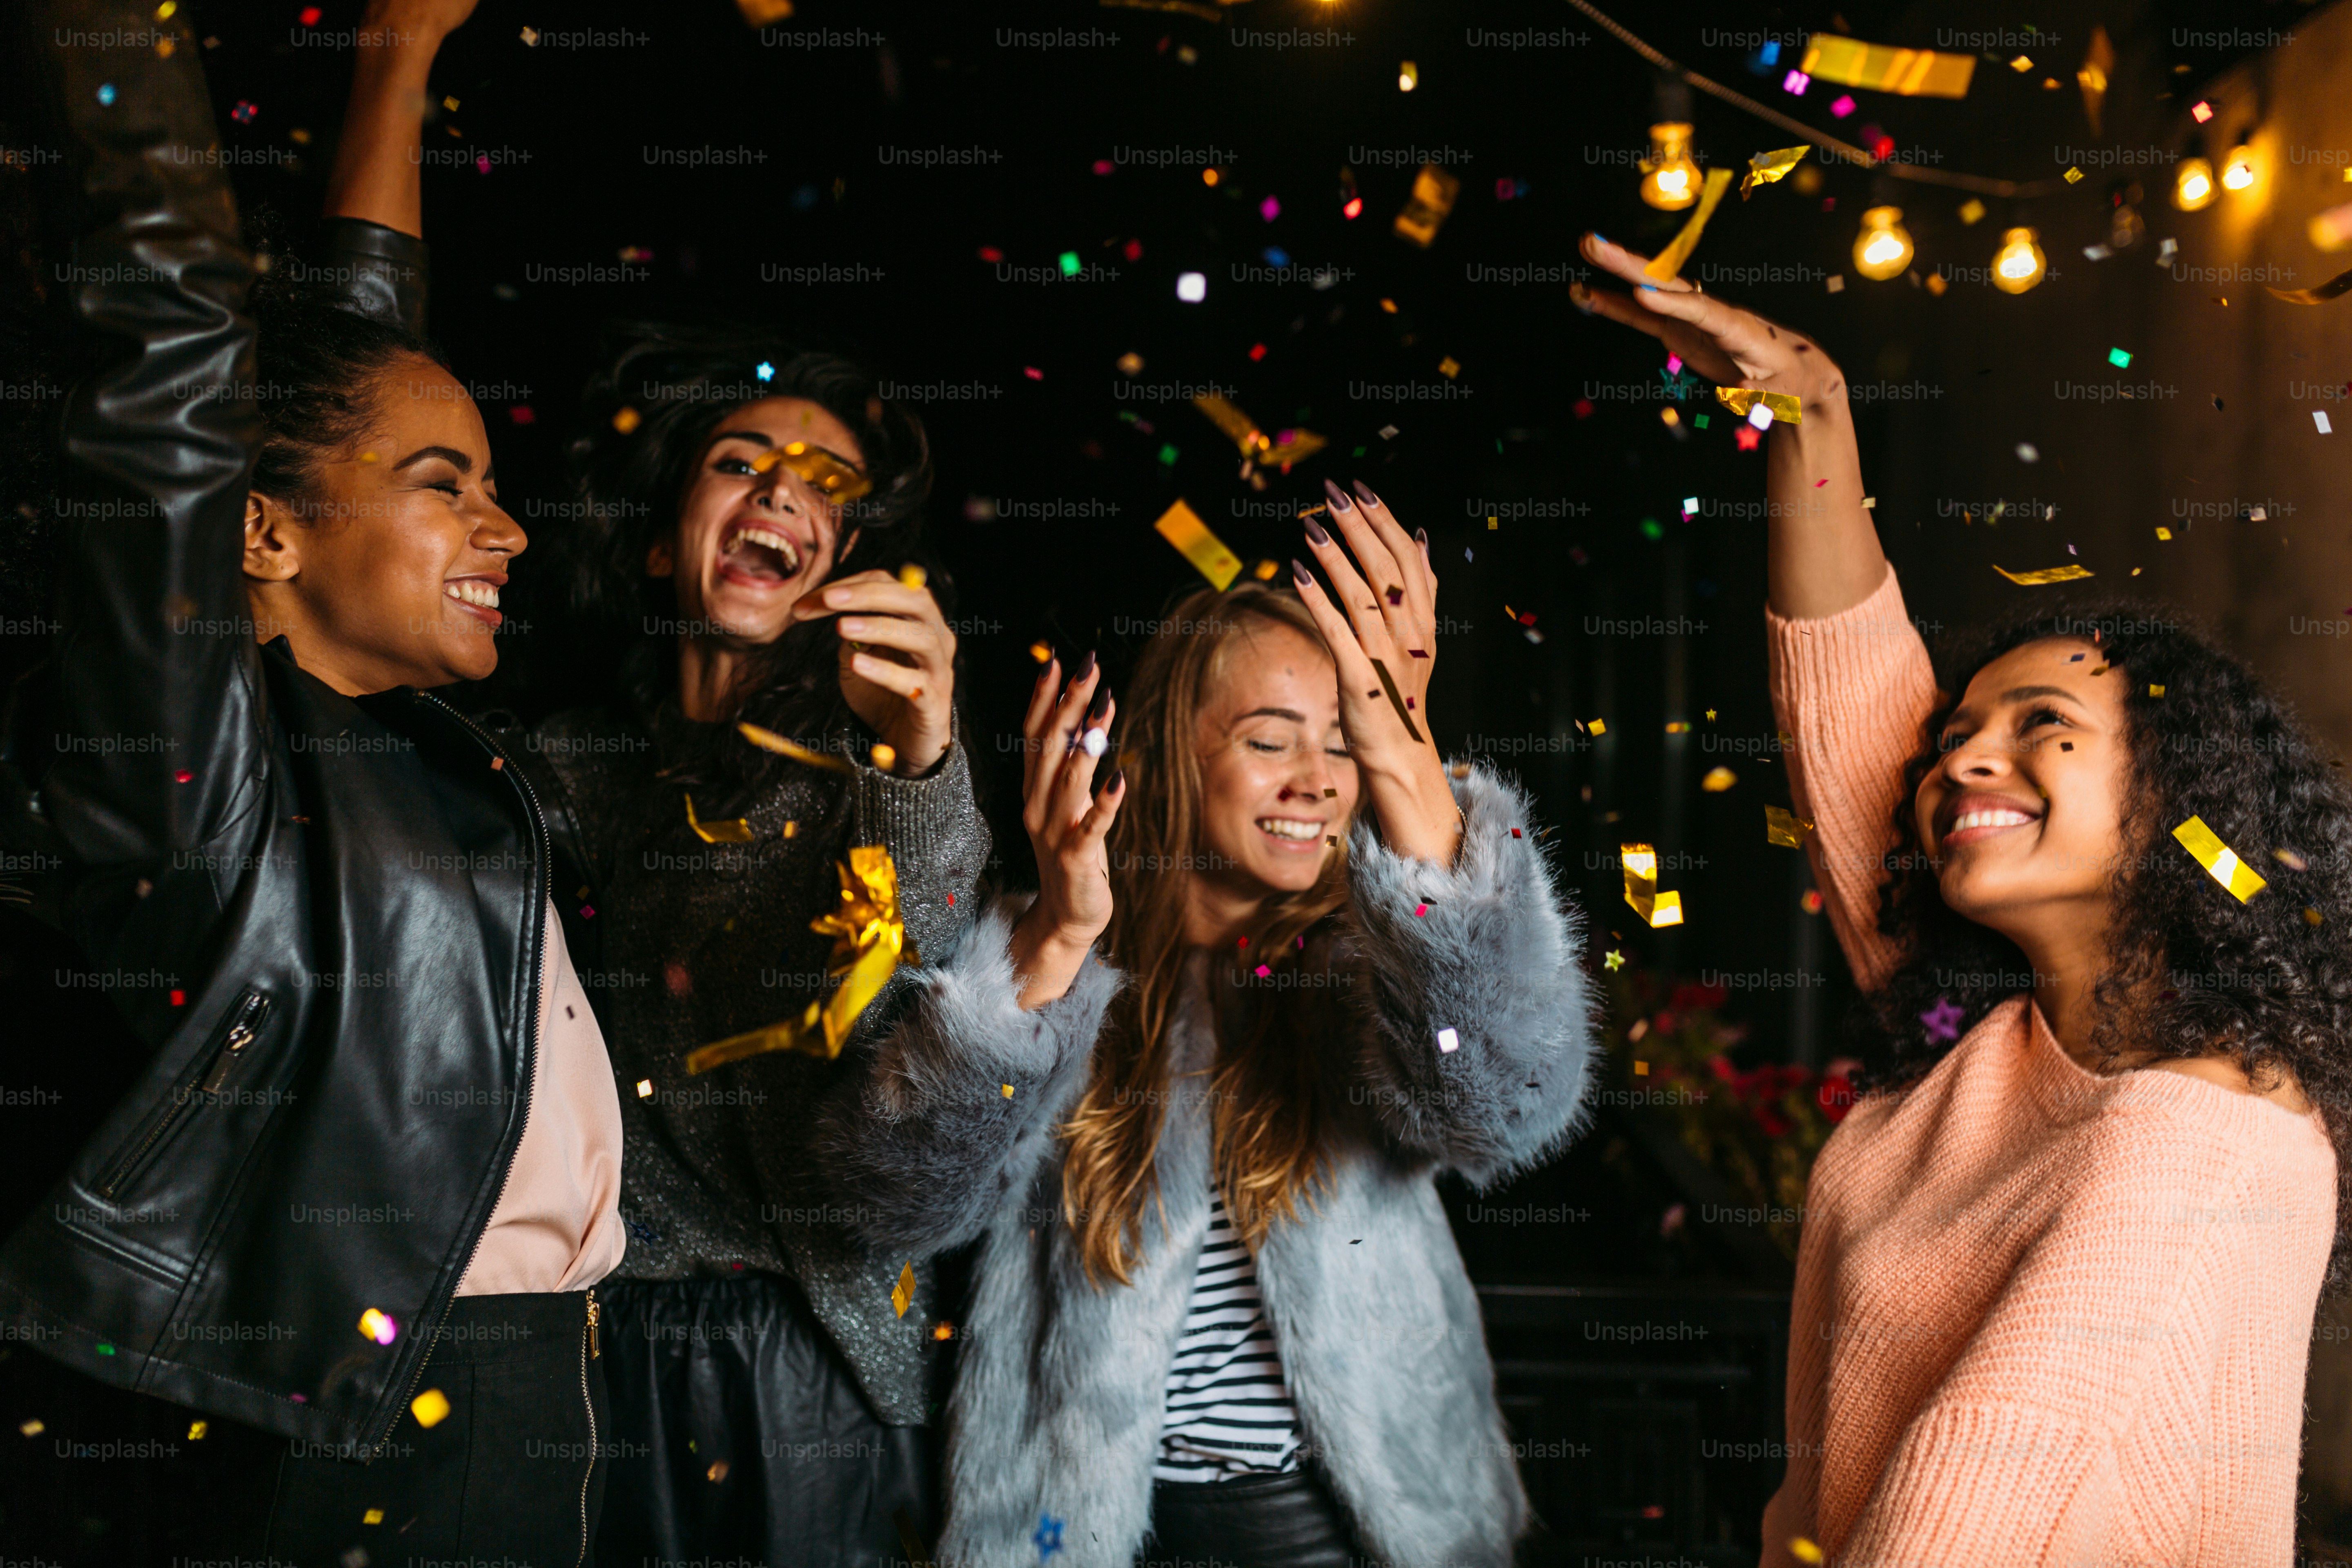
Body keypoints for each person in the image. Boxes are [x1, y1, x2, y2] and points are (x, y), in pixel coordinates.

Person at [1573, 231, 2345, 1564]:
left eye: (2043, 725)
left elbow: (1967, 1518)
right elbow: (1852, 705)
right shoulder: (1986, 1041)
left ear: (2184, 797)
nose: (1960, 761)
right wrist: (1810, 409)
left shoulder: (2194, 1146)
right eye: (1954, 736)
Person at [0, 2, 627, 1561]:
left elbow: (348, 384)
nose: (508, 531)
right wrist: (119, 37)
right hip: (358, 1422)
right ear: (260, 532)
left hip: (539, 1387)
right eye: (449, 489)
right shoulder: (197, 775)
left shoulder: (403, 752)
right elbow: (174, 362)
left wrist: (398, 58)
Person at [816, 483, 1599, 1568]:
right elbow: (894, 1202)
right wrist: (1055, 939)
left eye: (1345, 744)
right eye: (1271, 740)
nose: (1318, 782)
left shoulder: (1375, 959)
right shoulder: (1048, 960)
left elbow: (1508, 1105)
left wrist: (1406, 749)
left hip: (1345, 1532)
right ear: (1169, 754)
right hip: (1077, 1539)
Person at [512, 327, 982, 1567]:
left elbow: (935, 1003)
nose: (781, 489)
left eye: (826, 487)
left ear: (843, 570)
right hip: (593, 1341)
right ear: (661, 542)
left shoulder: (875, 777)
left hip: (810, 1357)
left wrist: (921, 760)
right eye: (740, 462)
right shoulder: (561, 768)